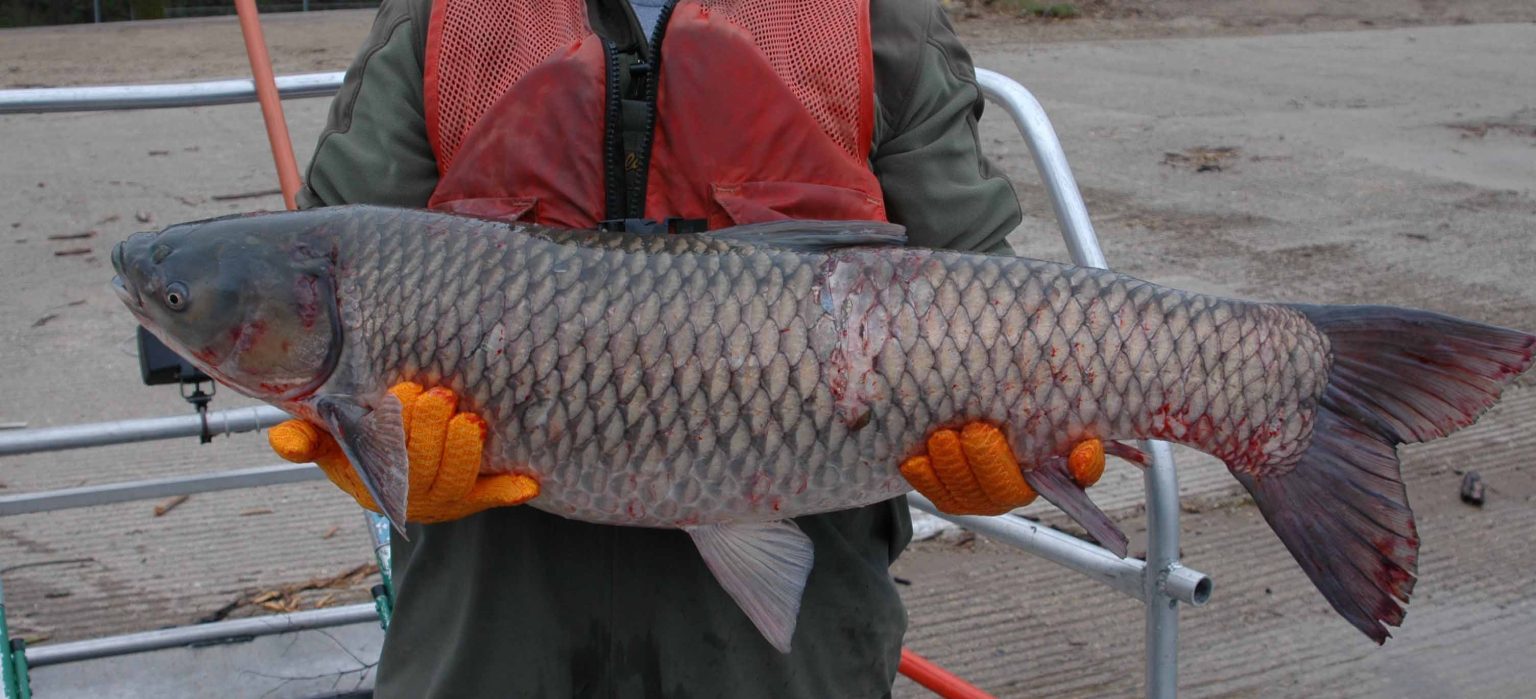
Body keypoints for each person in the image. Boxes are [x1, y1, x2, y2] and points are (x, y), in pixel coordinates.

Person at [266, 0, 1104, 696]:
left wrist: (1017, 435)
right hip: (485, 632)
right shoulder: (436, 17)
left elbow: (992, 304)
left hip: (794, 646)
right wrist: (358, 444)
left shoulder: (878, 19)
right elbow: (316, 283)